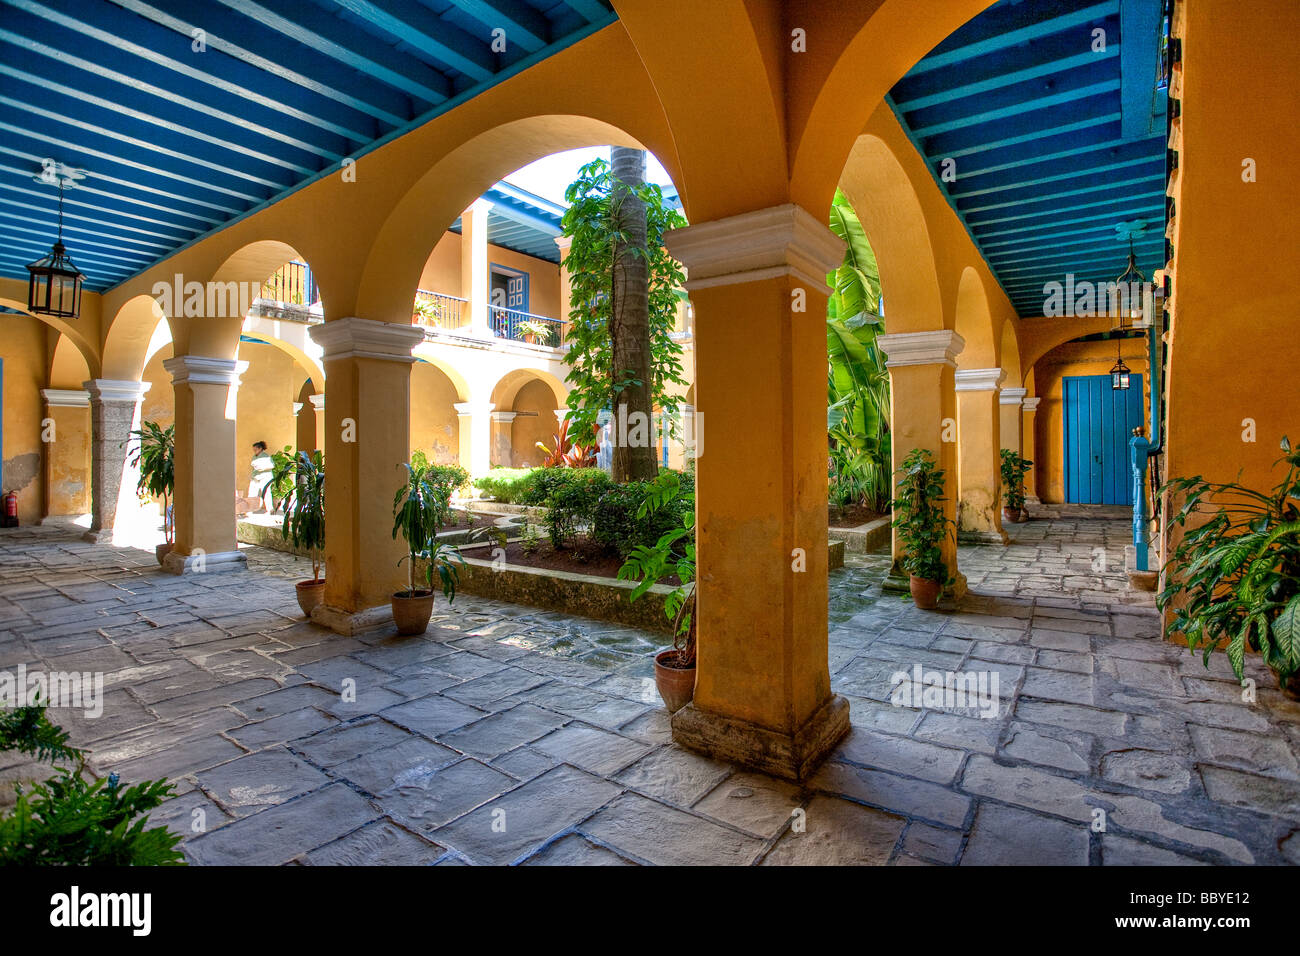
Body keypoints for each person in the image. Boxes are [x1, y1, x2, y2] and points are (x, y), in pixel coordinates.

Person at [248, 441, 275, 514]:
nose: (254, 451)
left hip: (265, 477)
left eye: (255, 449)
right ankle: (250, 510)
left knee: (266, 493)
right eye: (253, 450)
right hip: (255, 477)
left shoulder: (266, 456)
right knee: (252, 493)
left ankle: (270, 510)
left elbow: (272, 465)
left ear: (260, 449)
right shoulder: (254, 456)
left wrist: (262, 468)